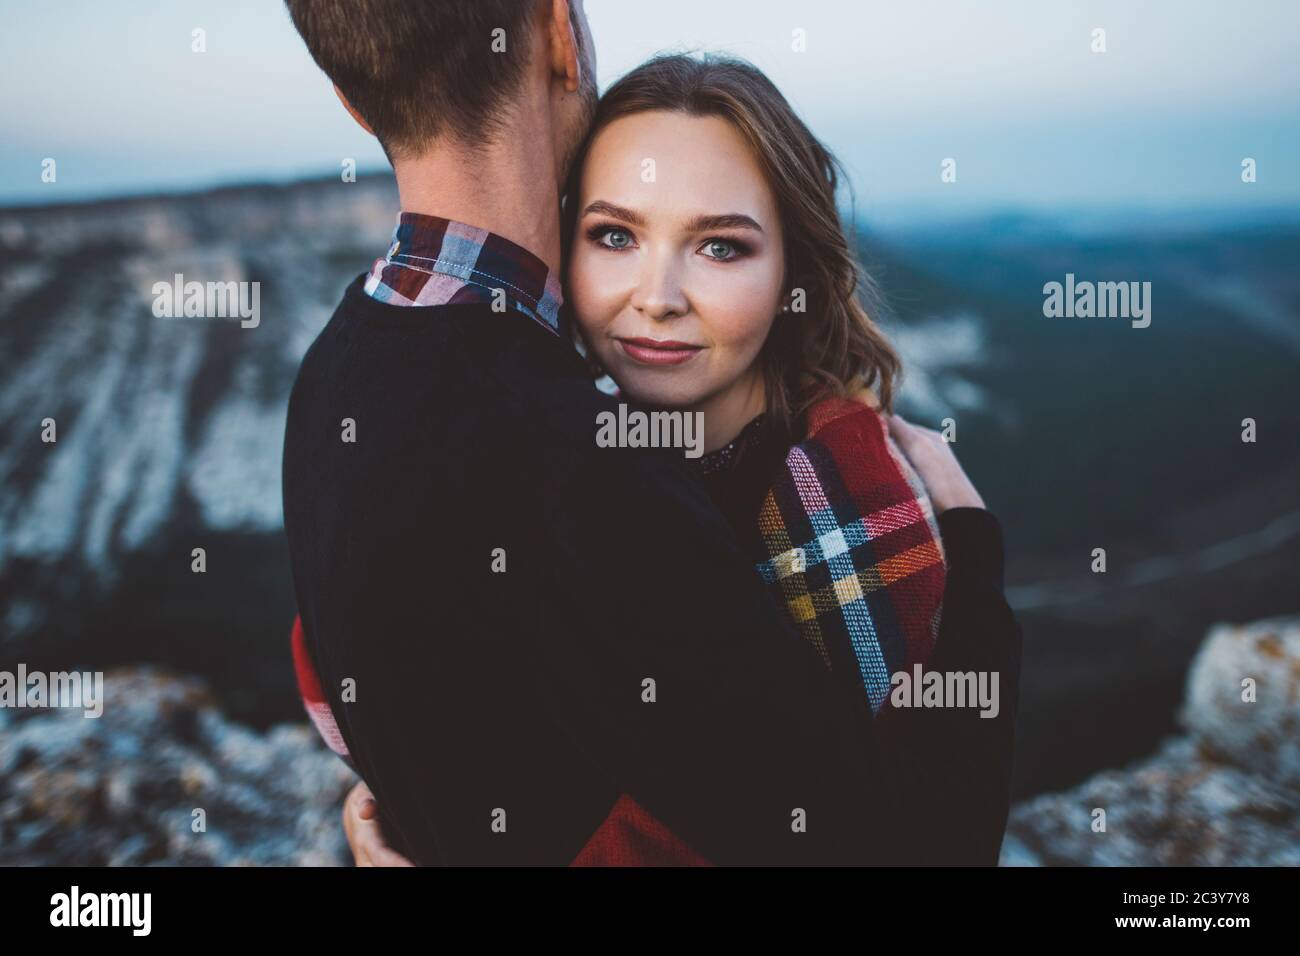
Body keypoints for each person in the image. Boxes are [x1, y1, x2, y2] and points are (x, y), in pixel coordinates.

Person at [282, 0, 1020, 866]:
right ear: (562, 34)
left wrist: (973, 583)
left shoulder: (850, 510)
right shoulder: (573, 453)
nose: (659, 295)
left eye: (720, 248)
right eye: (613, 235)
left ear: (795, 267)